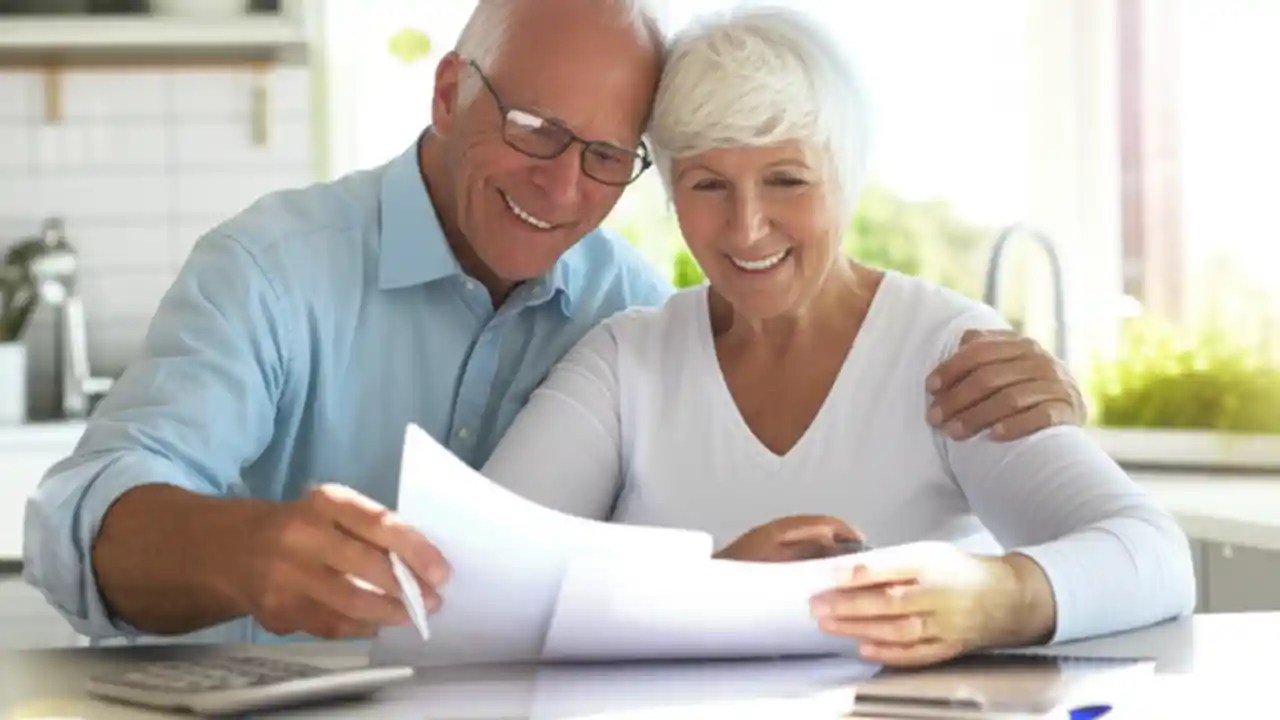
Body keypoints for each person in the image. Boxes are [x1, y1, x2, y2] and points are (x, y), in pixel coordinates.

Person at [25, 0, 1086, 645]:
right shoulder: (271, 270)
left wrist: (1042, 408)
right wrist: (247, 550)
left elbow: (565, 587)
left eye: (606, 158)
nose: (562, 188)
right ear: (447, 94)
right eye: (534, 130)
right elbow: (75, 525)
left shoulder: (624, 307)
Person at [482, 5, 1195, 668]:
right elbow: (476, 573)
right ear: (671, 194)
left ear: (845, 181)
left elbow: (1153, 556)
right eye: (708, 186)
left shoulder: (947, 354)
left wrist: (993, 596)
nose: (748, 226)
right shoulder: (623, 361)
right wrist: (710, 587)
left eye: (787, 180)